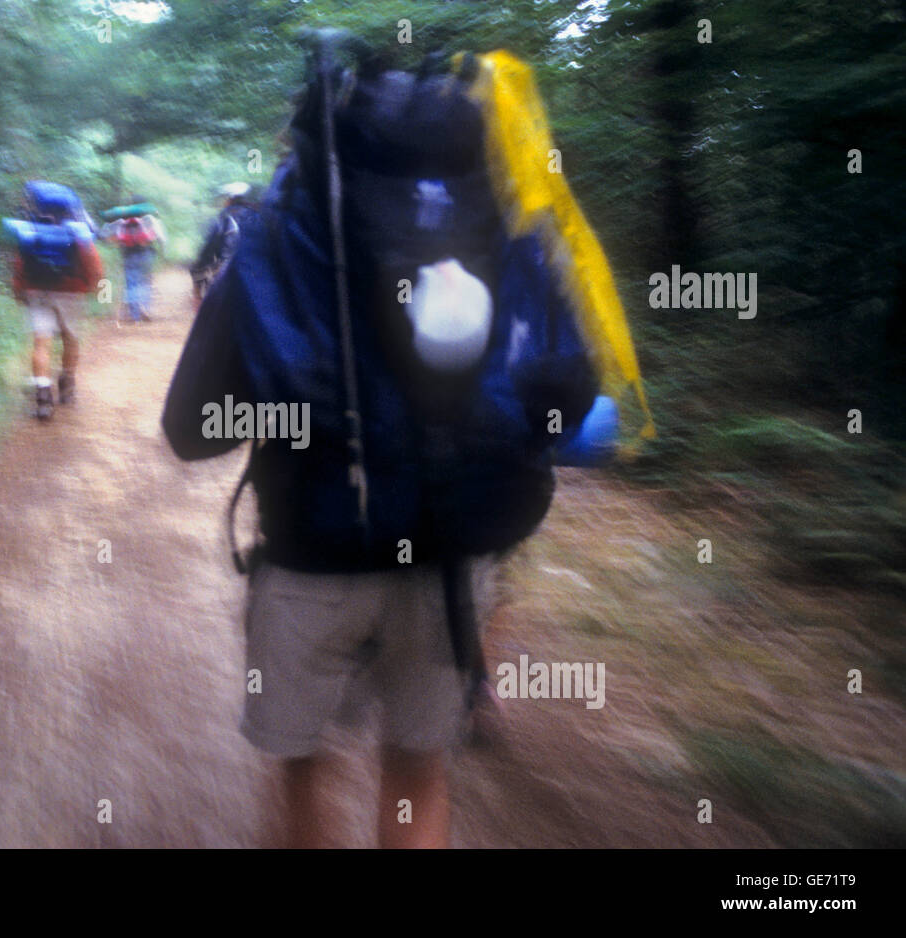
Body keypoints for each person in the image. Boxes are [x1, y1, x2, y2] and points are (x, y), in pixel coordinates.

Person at [162, 41, 651, 848]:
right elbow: (566, 408)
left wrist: (294, 411)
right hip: (451, 557)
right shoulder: (507, 230)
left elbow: (189, 431)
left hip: (311, 552)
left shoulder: (276, 237)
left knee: (302, 764)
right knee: (418, 772)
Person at [9, 180, 102, 419]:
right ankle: (67, 385)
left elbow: (17, 263)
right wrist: (92, 285)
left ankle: (43, 397)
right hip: (72, 292)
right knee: (71, 340)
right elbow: (93, 262)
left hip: (37, 291)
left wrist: (18, 289)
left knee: (41, 343)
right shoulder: (77, 229)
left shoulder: (30, 227)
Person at [190, 182, 258, 301]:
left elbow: (208, 249)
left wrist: (198, 273)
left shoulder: (222, 219)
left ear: (230, 199)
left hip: (228, 270)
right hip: (257, 273)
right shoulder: (258, 217)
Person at [103, 197, 164, 323]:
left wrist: (118, 243)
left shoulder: (120, 222)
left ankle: (134, 315)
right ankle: (145, 308)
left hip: (128, 255)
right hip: (146, 254)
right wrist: (162, 252)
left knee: (131, 283)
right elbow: (161, 238)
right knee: (145, 282)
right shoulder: (149, 220)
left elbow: (105, 236)